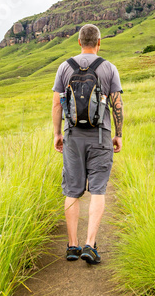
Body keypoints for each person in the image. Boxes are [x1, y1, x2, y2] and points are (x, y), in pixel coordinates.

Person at [51, 24, 123, 264]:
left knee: (72, 190)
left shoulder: (64, 67)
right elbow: (117, 105)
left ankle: (72, 245)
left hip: (72, 136)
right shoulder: (108, 68)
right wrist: (118, 134)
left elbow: (56, 105)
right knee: (98, 190)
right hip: (101, 136)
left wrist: (57, 134)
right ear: (99, 42)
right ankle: (89, 245)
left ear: (79, 42)